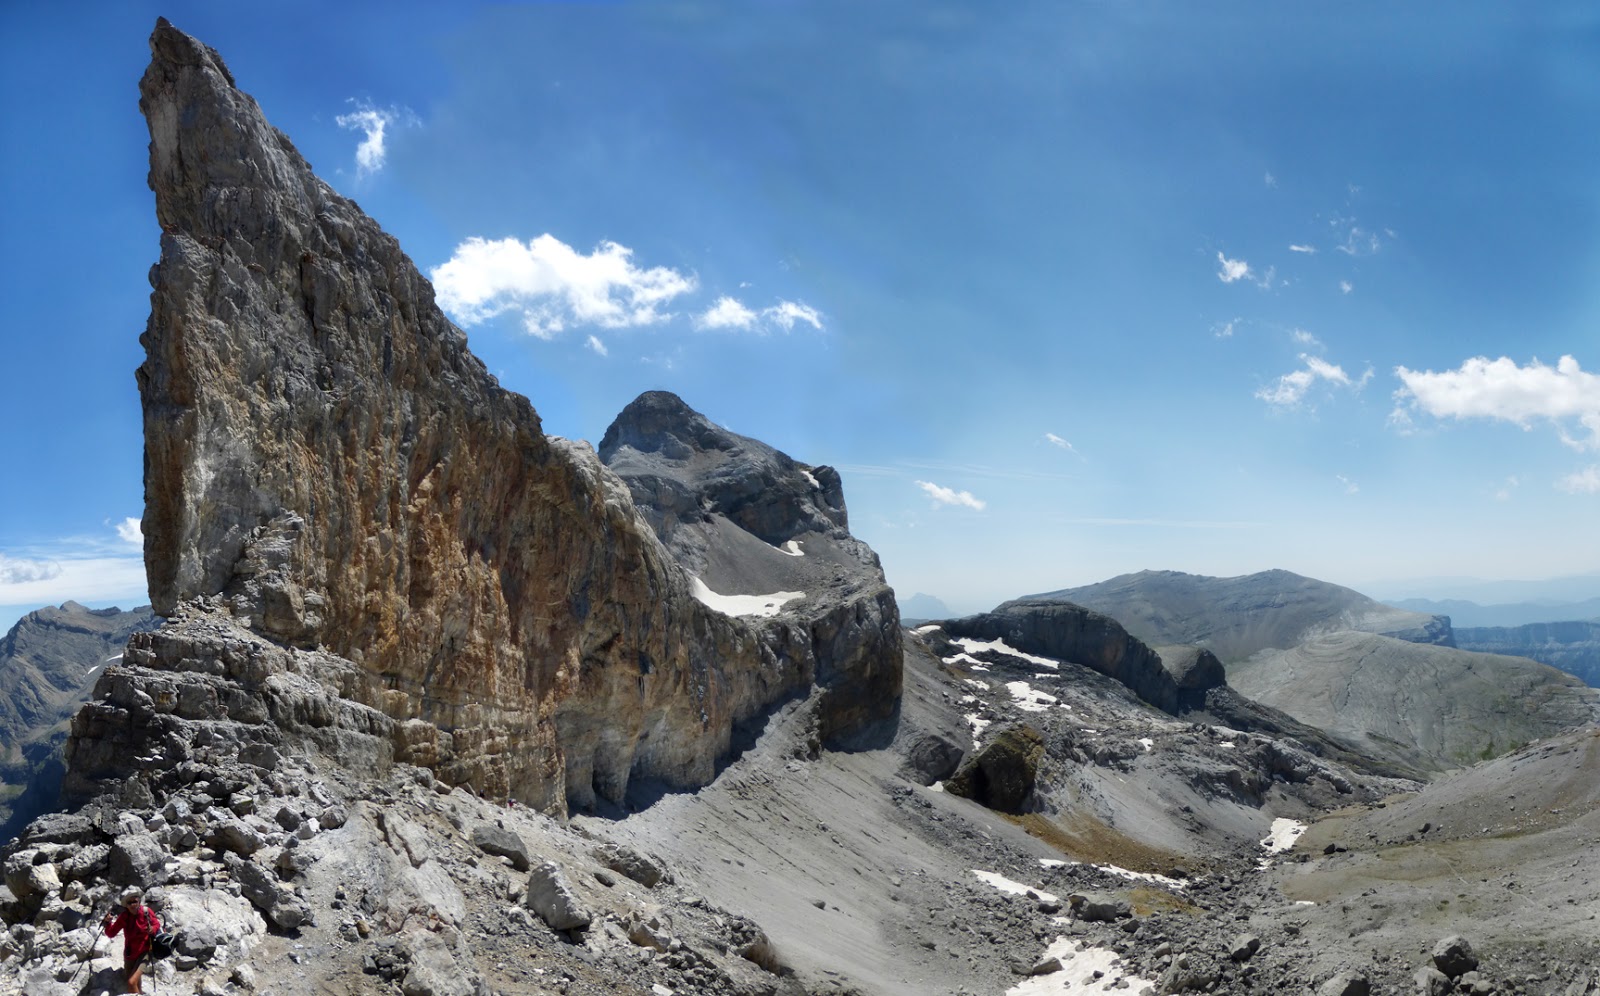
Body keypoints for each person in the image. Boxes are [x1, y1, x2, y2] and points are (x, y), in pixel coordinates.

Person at [102, 886, 161, 994]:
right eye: (130, 903)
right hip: (130, 954)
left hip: (145, 952)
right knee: (135, 982)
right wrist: (107, 923)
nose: (133, 905)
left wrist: (152, 929)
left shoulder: (146, 912)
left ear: (139, 902)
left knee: (131, 982)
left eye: (135, 901)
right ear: (126, 905)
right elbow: (111, 933)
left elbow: (156, 924)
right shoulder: (124, 917)